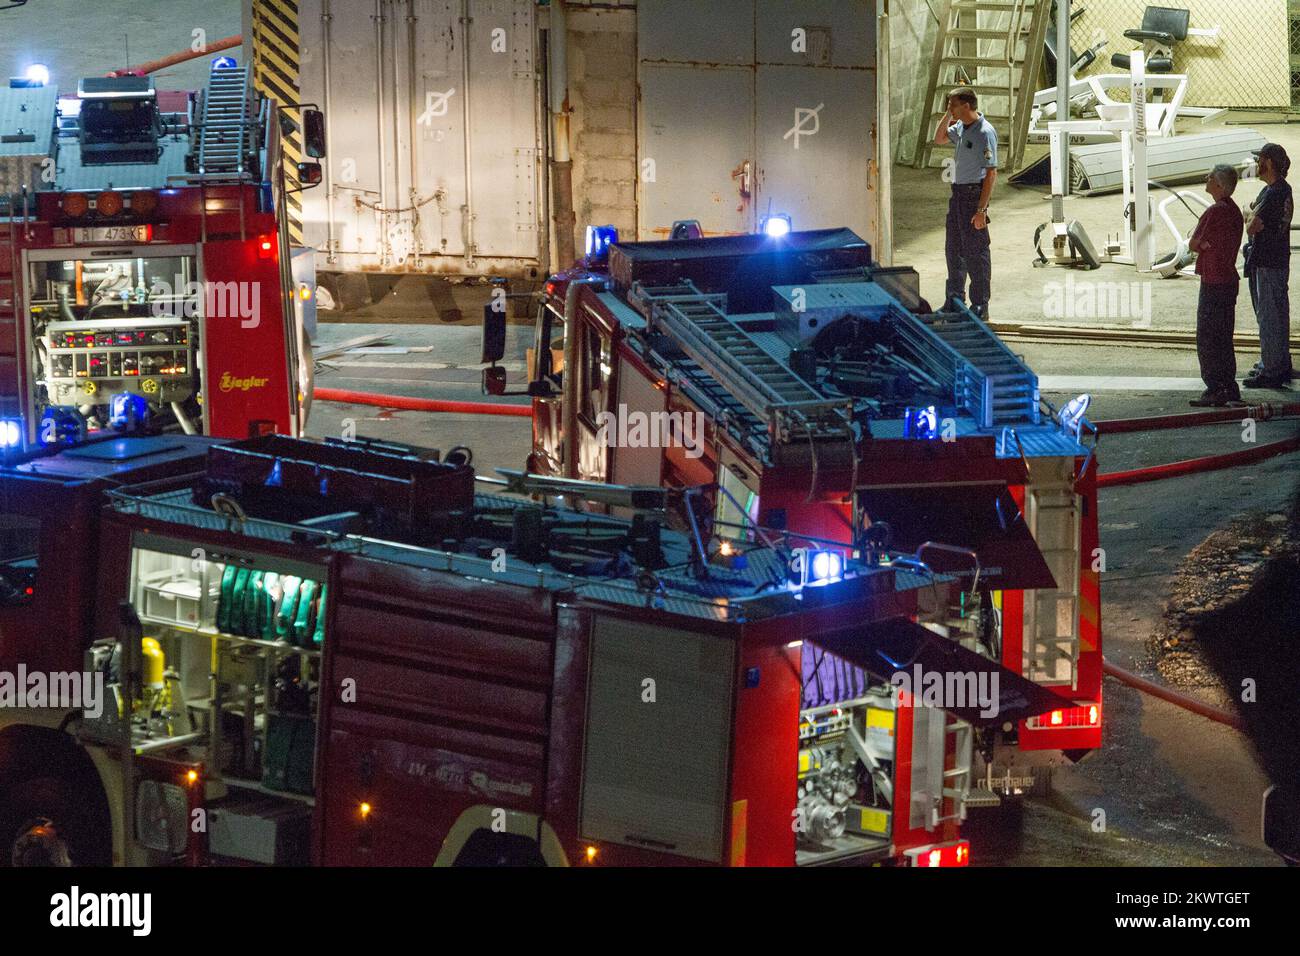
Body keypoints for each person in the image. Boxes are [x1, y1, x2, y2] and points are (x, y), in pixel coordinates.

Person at [932, 87, 997, 319]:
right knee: (954, 250)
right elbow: (939, 138)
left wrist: (981, 210)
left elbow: (991, 173)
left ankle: (980, 304)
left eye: (953, 105)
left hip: (973, 196)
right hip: (958, 195)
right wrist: (948, 114)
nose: (950, 108)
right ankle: (955, 300)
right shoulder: (960, 126)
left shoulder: (984, 133)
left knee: (976, 253)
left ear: (966, 106)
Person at [1188, 164, 1245, 408]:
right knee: (1224, 336)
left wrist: (1202, 245)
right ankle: (1228, 386)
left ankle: (1215, 388)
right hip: (1229, 280)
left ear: (1219, 185)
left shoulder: (1214, 212)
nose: (1206, 178)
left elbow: (1193, 243)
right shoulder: (1234, 211)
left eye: (1210, 176)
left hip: (1213, 281)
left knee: (1208, 337)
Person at [1243, 143, 1293, 389]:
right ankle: (1277, 361)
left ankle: (1272, 369)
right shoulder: (1279, 189)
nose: (1256, 164)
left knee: (1269, 316)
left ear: (1269, 163)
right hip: (1276, 260)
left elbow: (1252, 225)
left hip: (1267, 262)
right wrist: (1252, 213)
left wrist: (1248, 212)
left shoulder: (1273, 194)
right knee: (1278, 314)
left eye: (1260, 159)